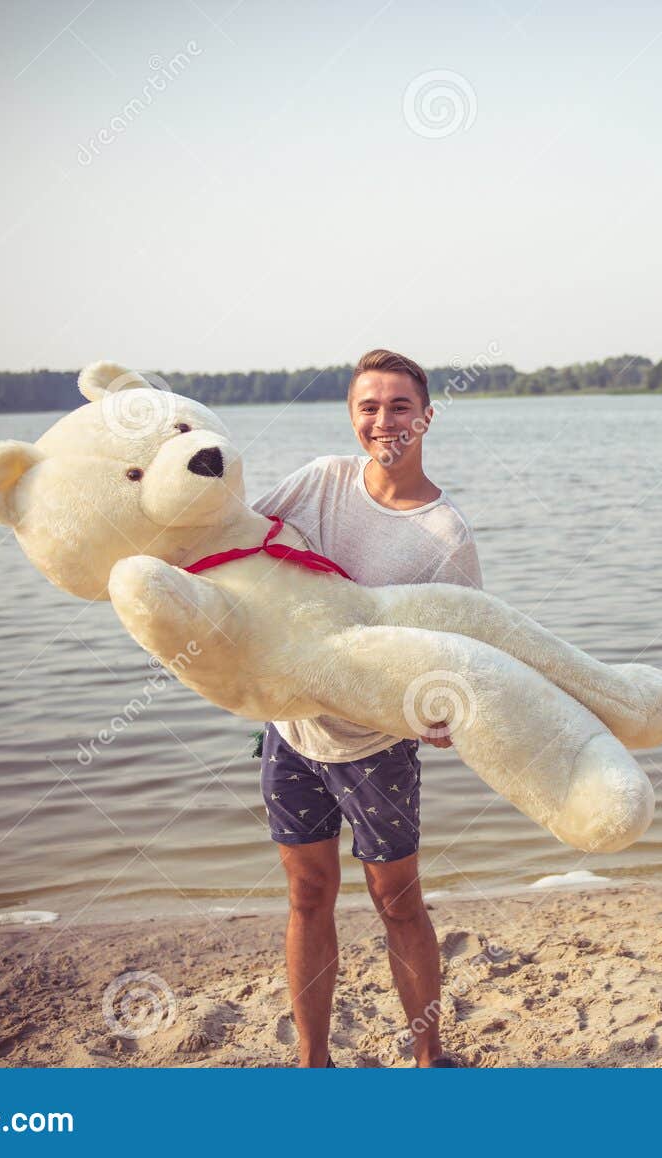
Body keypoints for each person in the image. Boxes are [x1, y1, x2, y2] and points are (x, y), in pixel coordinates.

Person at [251, 348, 481, 1068]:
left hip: (377, 747)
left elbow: (466, 652)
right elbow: (237, 548)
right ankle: (313, 1064)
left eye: (400, 406)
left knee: (398, 902)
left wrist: (446, 712)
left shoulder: (446, 538)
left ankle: (429, 1058)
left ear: (427, 416)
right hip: (291, 730)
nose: (385, 420)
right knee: (308, 893)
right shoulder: (320, 481)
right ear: (353, 417)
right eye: (369, 406)